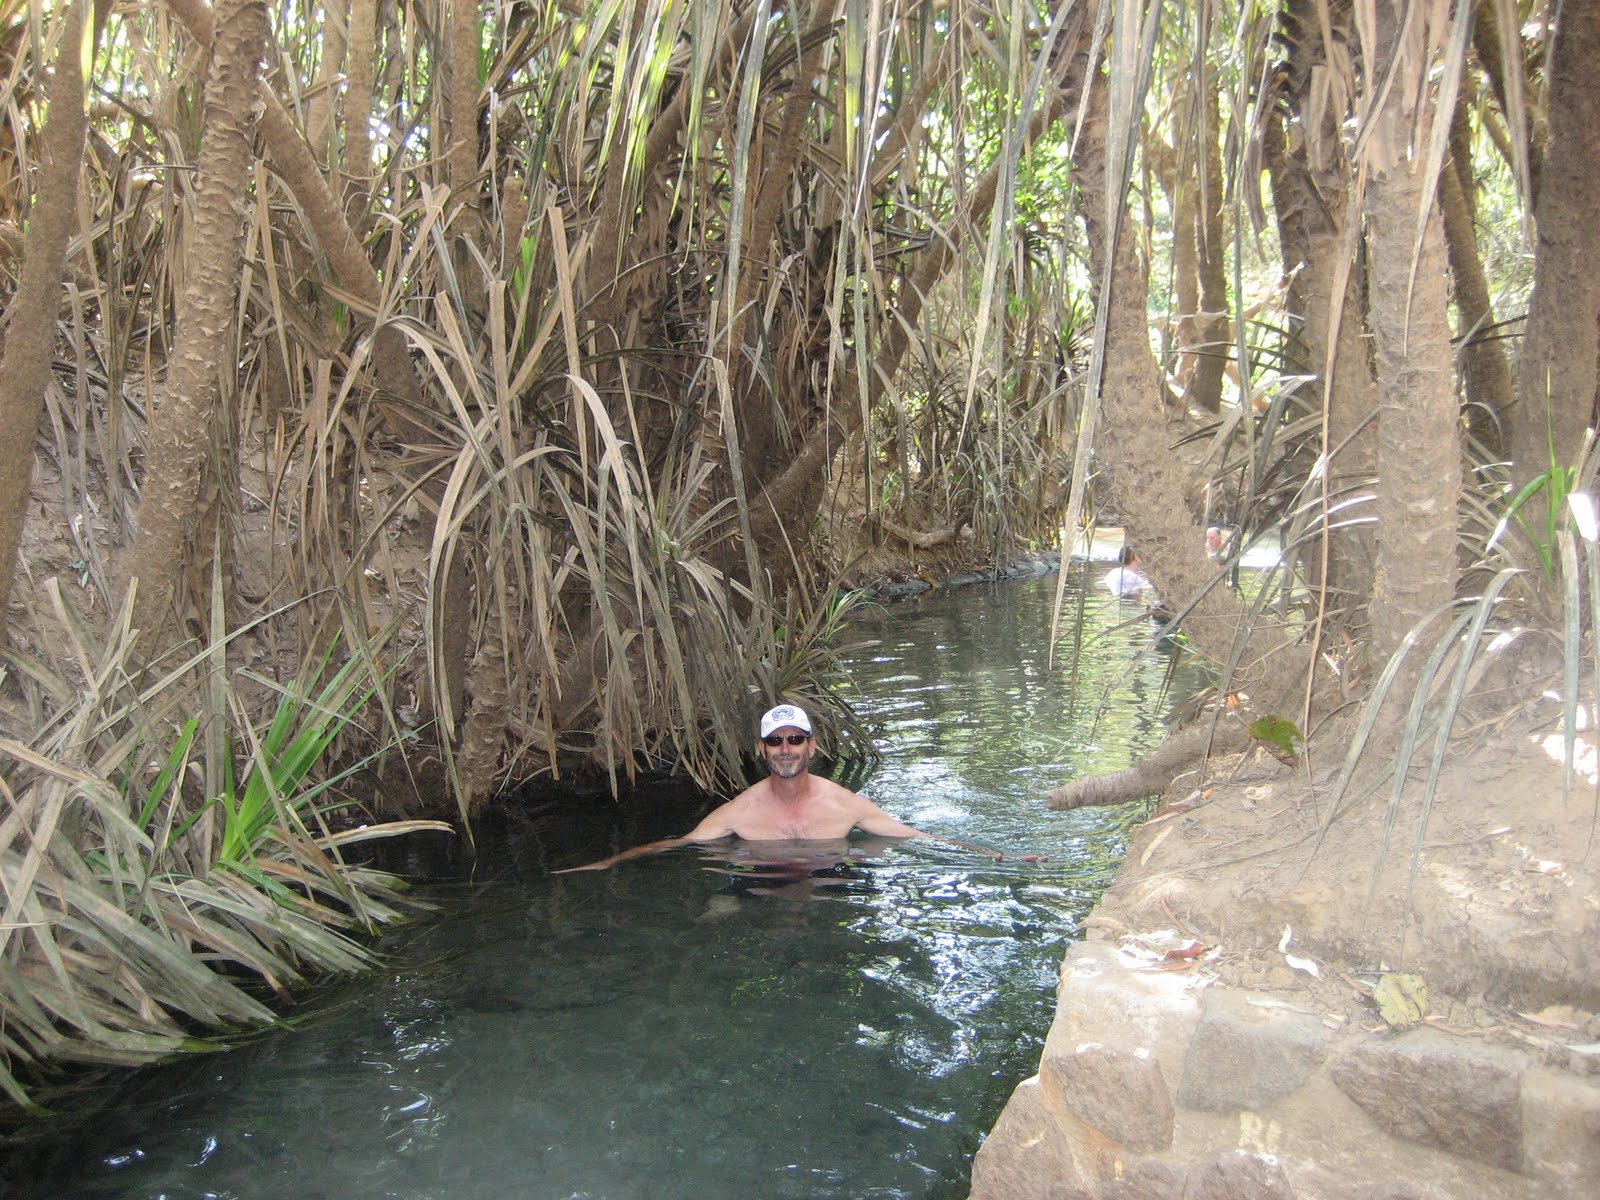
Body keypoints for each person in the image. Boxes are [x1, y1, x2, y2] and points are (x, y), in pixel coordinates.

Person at [554, 704, 1042, 872]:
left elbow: (912, 836)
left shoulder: (845, 803)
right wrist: (611, 861)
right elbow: (679, 844)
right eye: (776, 742)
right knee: (721, 908)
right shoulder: (738, 813)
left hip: (833, 879)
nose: (786, 749)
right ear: (762, 750)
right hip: (762, 886)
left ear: (812, 746)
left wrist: (992, 855)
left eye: (795, 740)